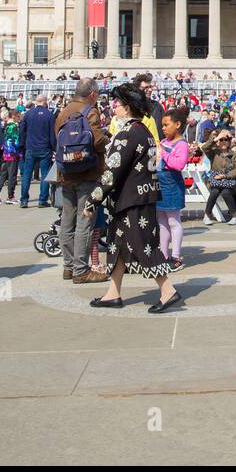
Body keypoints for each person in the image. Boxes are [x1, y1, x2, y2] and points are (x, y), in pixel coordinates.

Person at [81, 83, 181, 312]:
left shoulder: (127, 134)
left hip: (131, 200)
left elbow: (112, 172)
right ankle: (113, 293)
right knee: (118, 247)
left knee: (144, 246)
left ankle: (168, 290)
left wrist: (93, 200)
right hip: (139, 197)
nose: (114, 107)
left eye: (117, 104)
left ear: (126, 108)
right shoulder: (144, 131)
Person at [54, 79, 110, 284]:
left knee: (67, 222)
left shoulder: (63, 112)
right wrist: (108, 140)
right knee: (85, 222)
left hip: (66, 172)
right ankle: (81, 269)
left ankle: (68, 267)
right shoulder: (90, 111)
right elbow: (96, 141)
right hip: (87, 173)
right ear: (92, 94)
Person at [158, 107, 191, 270]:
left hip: (172, 185)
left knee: (173, 221)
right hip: (160, 185)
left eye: (166, 125)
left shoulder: (182, 144)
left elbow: (178, 164)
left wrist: (163, 152)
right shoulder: (164, 142)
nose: (163, 128)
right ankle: (163, 254)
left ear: (177, 124)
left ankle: (176, 256)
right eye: (162, 125)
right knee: (162, 223)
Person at [201, 130, 236, 224]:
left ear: (229, 142)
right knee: (214, 192)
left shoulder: (234, 155)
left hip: (230, 181)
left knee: (226, 192)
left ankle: (234, 216)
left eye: (226, 140)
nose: (223, 142)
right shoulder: (214, 153)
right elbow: (204, 147)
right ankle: (207, 215)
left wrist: (225, 176)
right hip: (216, 181)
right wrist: (216, 138)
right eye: (221, 140)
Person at [18, 94, 56, 208]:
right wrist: (54, 147)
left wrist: (22, 145)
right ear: (45, 102)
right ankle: (42, 200)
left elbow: (22, 131)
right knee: (45, 174)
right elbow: (52, 134)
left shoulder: (28, 114)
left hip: (30, 147)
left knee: (27, 175)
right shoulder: (49, 115)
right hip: (45, 148)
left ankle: (24, 200)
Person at [0, 110, 21, 204]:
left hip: (6, 153)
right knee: (12, 175)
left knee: (3, 174)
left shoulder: (6, 126)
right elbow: (16, 141)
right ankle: (10, 196)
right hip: (13, 153)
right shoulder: (14, 126)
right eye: (18, 116)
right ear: (14, 116)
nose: (19, 117)